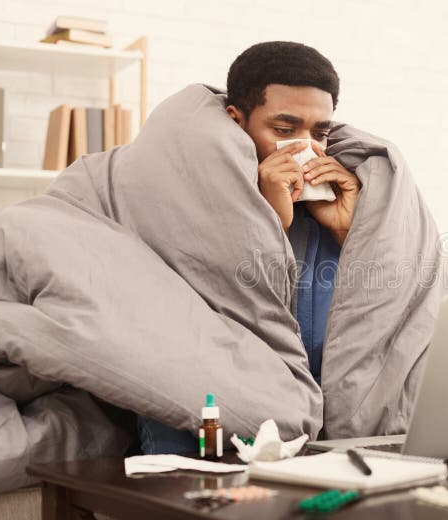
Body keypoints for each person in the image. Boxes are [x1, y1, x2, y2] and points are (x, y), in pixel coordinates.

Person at [138, 41, 359, 454]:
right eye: (284, 131)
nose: (306, 150)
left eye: (320, 134)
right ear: (236, 123)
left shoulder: (329, 219)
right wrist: (267, 225)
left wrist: (352, 235)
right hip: (208, 426)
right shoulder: (181, 207)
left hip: (310, 436)